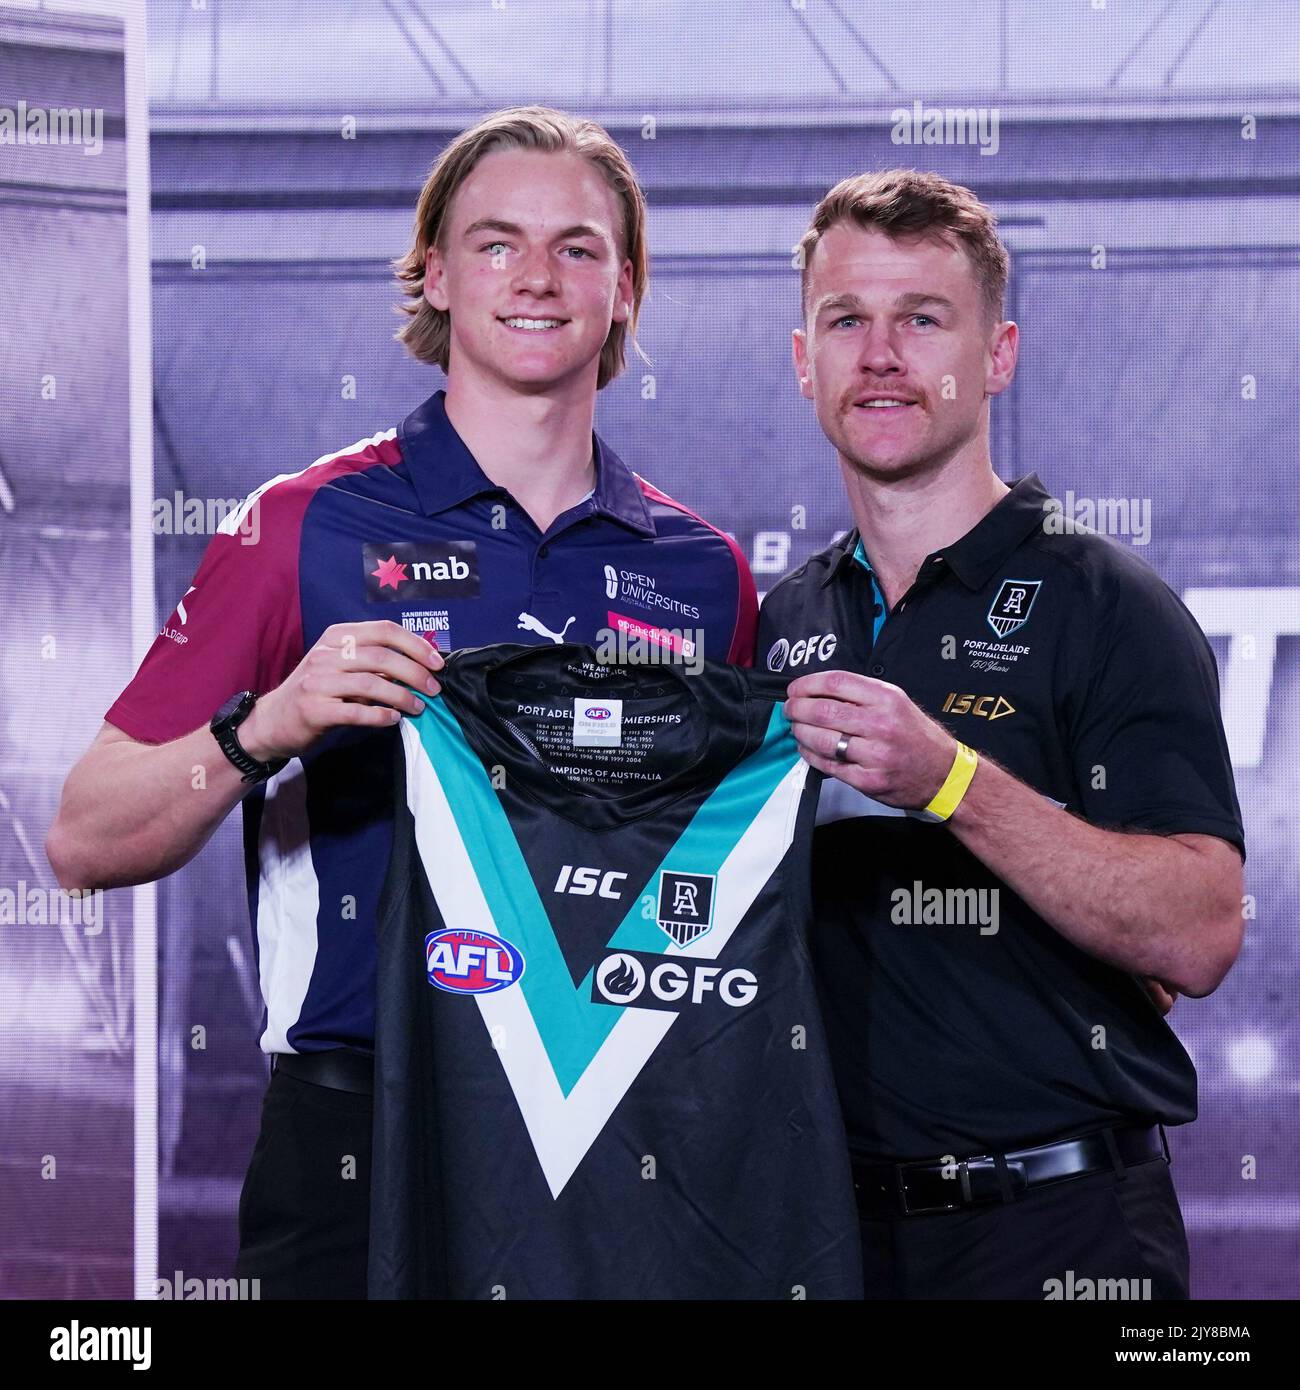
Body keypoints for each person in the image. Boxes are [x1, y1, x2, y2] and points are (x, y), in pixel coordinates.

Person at [45, 105, 757, 1299]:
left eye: (577, 247)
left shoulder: (705, 568)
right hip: (357, 1122)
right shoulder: (301, 524)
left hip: (617, 1131)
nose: (537, 277)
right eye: (495, 242)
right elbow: (81, 839)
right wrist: (263, 727)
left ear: (624, 288)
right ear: (433, 271)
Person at [756, 168, 1245, 1300]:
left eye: (921, 319)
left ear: (998, 353)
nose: (879, 356)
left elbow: (1201, 933)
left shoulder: (1107, 603)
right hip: (825, 1234)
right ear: (803, 361)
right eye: (846, 322)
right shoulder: (782, 621)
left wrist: (950, 780)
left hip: (1060, 1234)